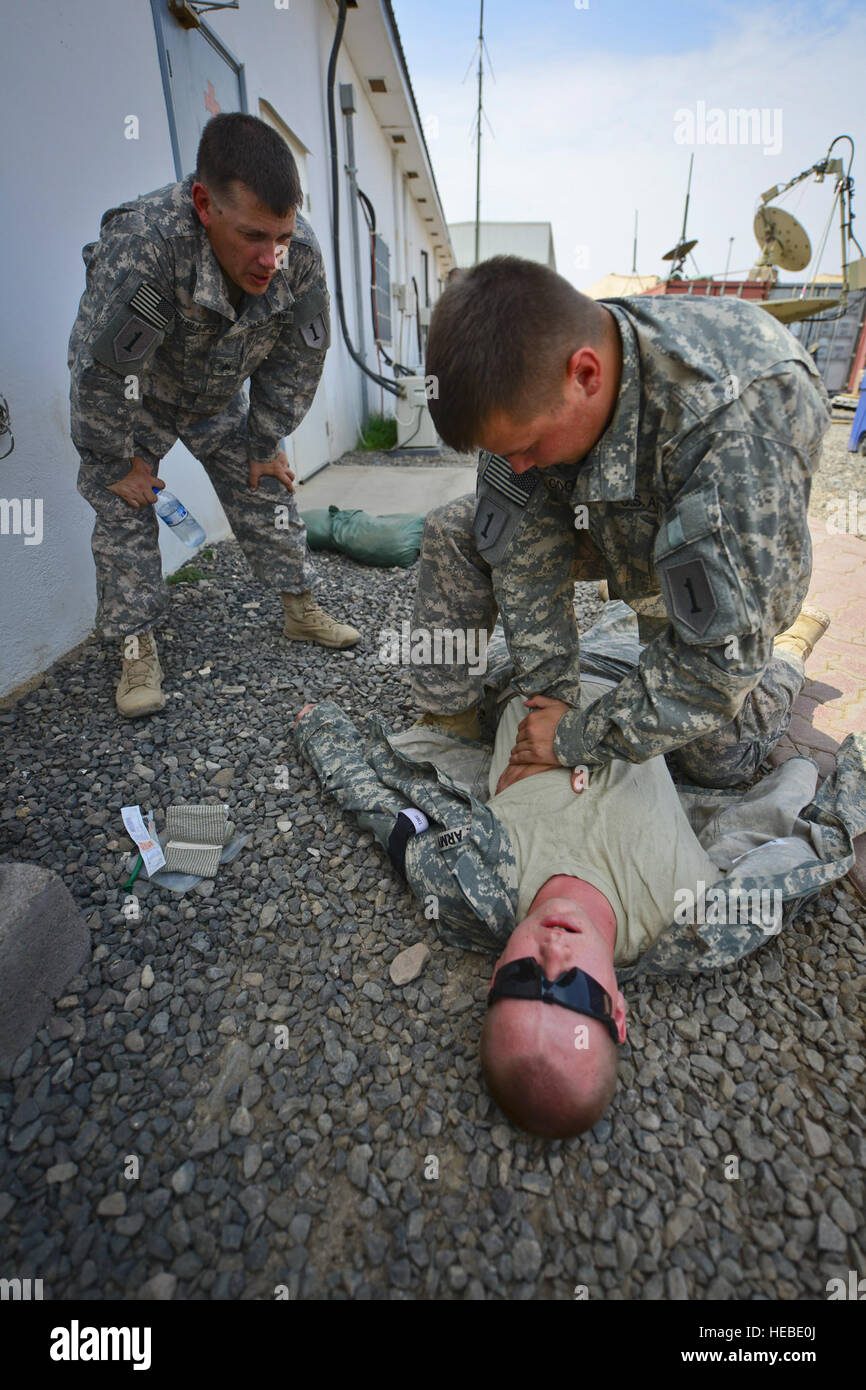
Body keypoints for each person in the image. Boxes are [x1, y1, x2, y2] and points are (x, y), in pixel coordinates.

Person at [293, 604, 866, 1137]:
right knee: (737, 729)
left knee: (547, 590)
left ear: (496, 980)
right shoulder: (690, 919)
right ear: (616, 1009)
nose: (552, 958)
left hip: (536, 666)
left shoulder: (472, 886)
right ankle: (793, 644)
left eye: (525, 981)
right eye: (572, 990)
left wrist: (317, 724)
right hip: (656, 690)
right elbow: (812, 850)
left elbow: (374, 805)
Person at [411, 256, 833, 790]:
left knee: (715, 762)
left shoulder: (740, 419)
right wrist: (549, 702)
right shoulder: (531, 382)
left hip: (714, 556)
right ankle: (449, 721)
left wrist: (576, 739)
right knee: (455, 527)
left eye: (527, 447)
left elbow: (713, 671)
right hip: (606, 518)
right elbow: (524, 554)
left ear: (585, 376)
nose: (515, 463)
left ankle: (787, 651)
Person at [69, 112, 359, 719]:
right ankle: (135, 647)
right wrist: (114, 459)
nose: (270, 259)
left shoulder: (297, 254)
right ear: (205, 204)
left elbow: (299, 356)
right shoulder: (147, 244)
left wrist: (265, 440)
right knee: (123, 503)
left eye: (280, 237)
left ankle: (299, 606)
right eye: (254, 236)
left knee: (266, 482)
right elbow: (102, 369)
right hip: (139, 398)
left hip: (218, 393)